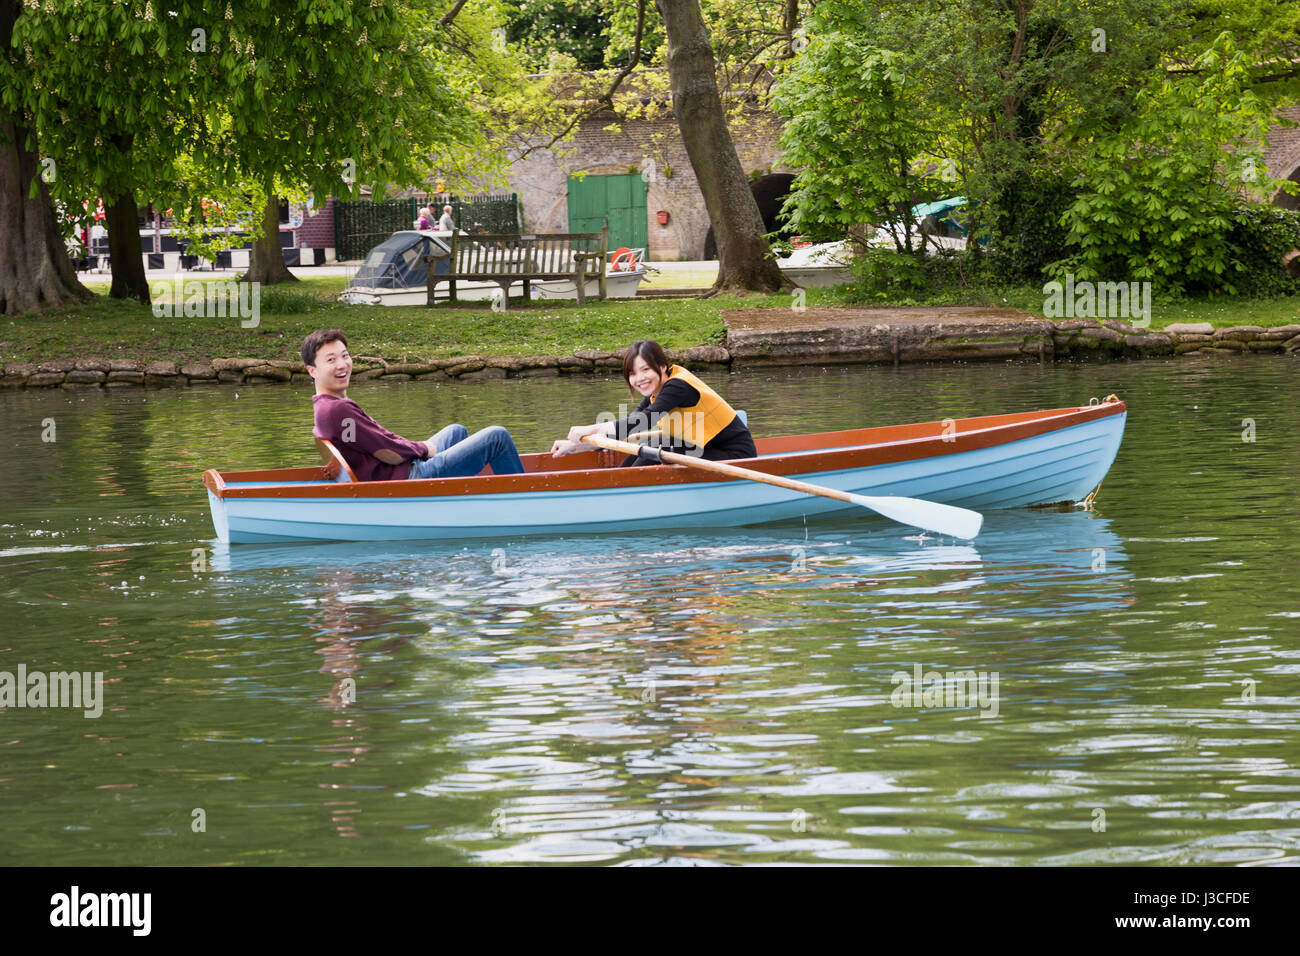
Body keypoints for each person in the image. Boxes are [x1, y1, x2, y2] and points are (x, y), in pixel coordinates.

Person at [303, 328, 525, 481]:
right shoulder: (339, 410)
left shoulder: (327, 406)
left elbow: (367, 442)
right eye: (331, 360)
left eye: (345, 356)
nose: (342, 364)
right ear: (312, 371)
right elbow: (386, 451)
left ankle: (460, 495)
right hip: (408, 477)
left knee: (456, 431)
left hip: (395, 470)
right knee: (497, 437)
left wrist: (417, 448)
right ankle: (522, 497)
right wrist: (423, 449)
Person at [551, 339, 756, 466]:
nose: (639, 379)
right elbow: (628, 428)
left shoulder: (677, 386)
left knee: (657, 448)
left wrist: (588, 427)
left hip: (737, 456)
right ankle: (620, 485)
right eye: (632, 373)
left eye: (646, 370)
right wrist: (575, 445)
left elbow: (643, 421)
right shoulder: (654, 394)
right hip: (705, 449)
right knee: (649, 444)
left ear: (662, 366)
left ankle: (625, 489)